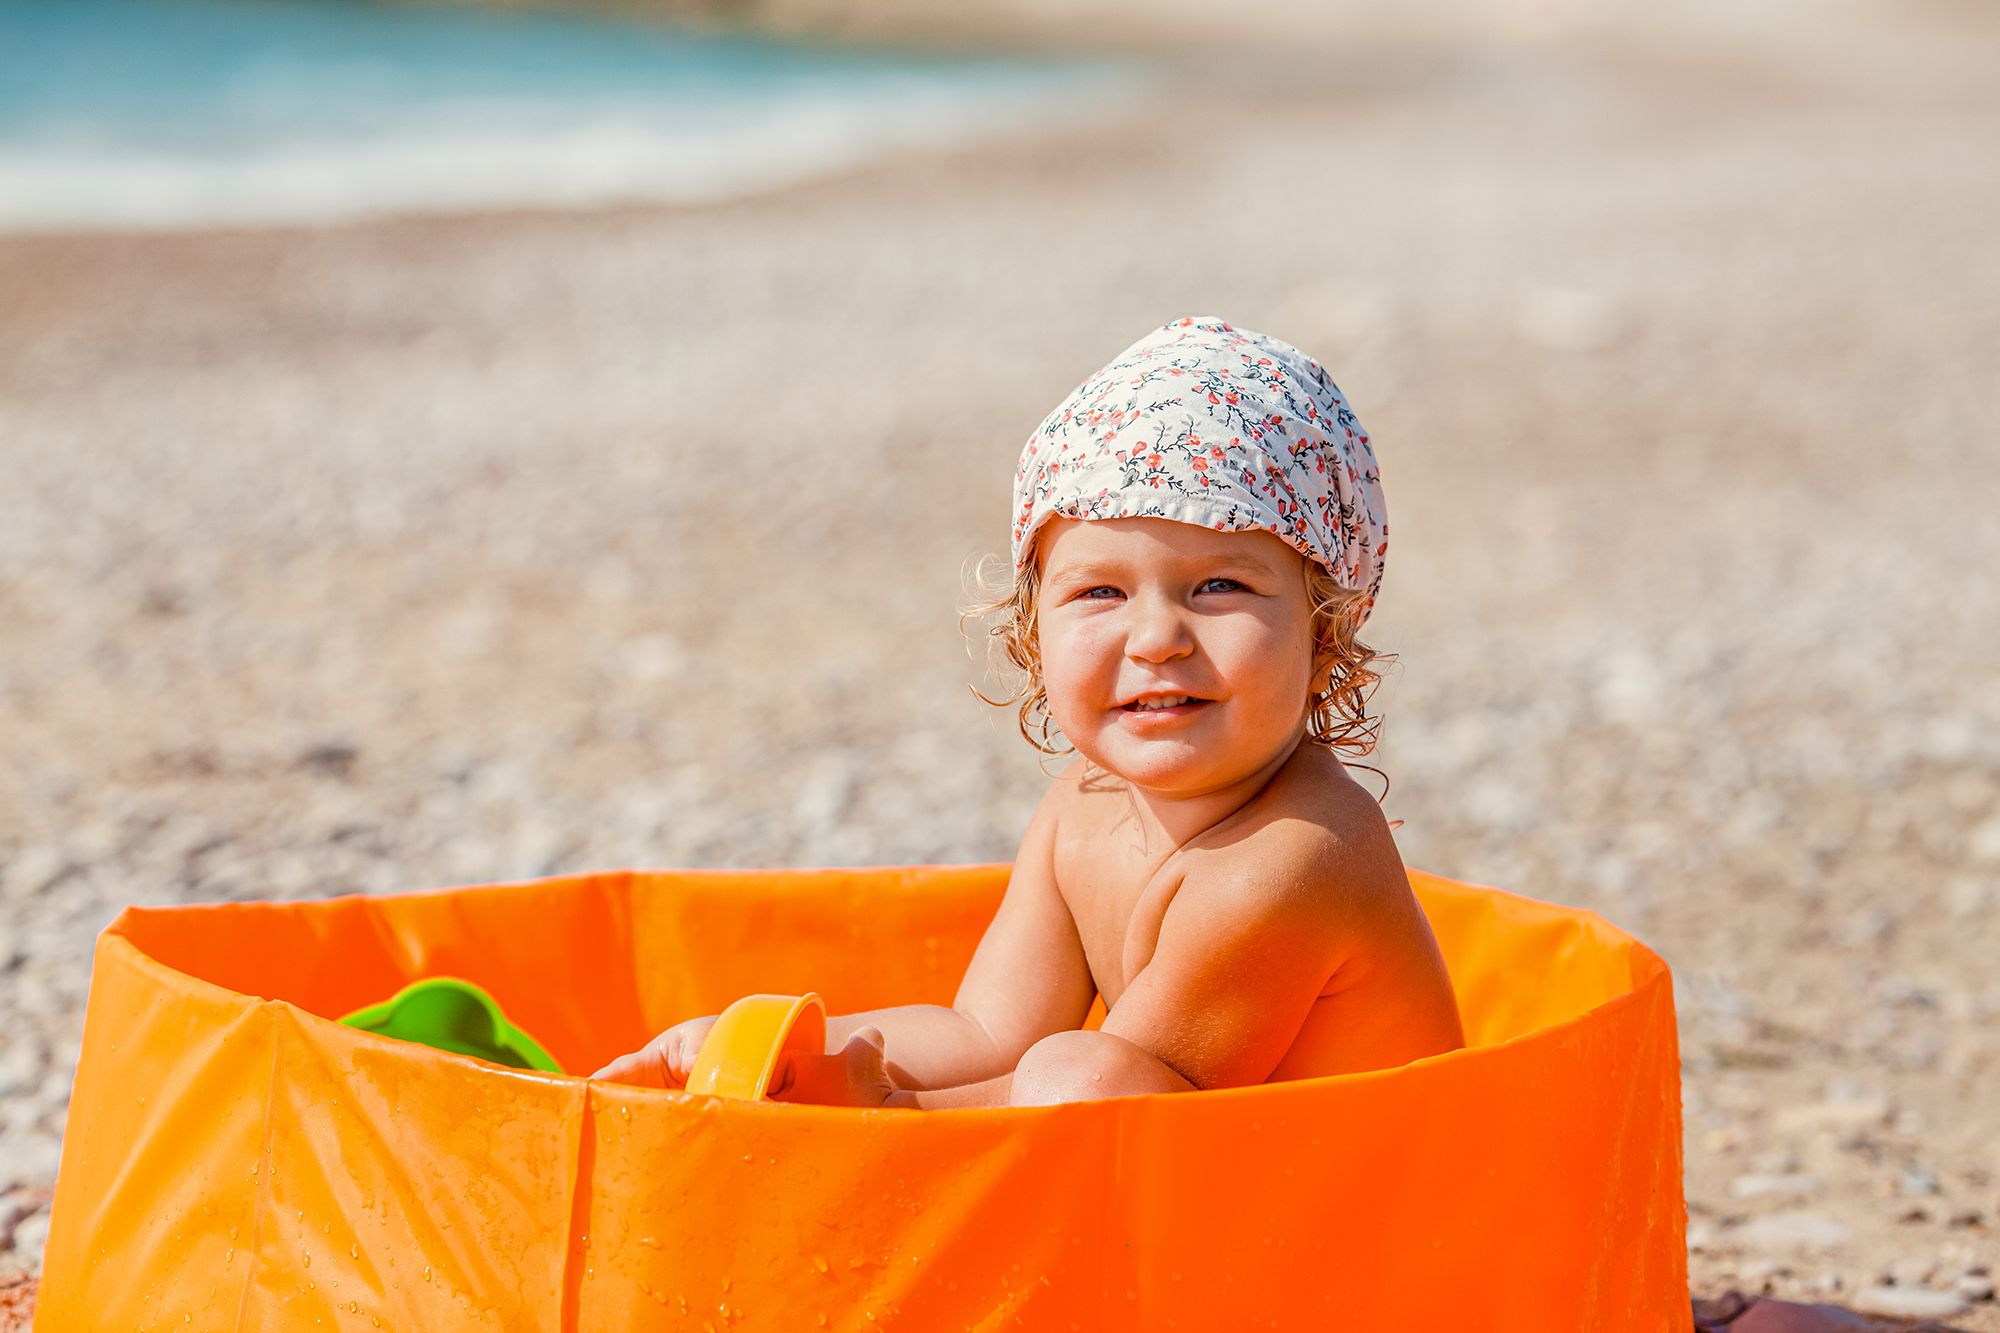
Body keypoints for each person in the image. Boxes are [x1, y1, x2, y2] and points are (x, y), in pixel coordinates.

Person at [594, 315, 1465, 1106]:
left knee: (1075, 1068)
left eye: (1220, 584)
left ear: (1327, 636)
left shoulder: (1292, 863)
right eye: (1099, 591)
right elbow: (984, 1035)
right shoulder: (1082, 807)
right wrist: (782, 1056)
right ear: (1030, 637)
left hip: (1373, 1223)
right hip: (1223, 1213)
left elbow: (1095, 1109)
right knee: (1050, 1058)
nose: (1156, 635)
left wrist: (886, 1112)